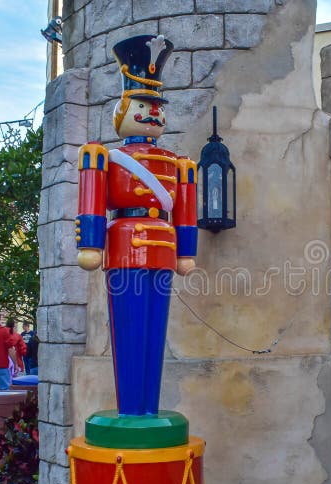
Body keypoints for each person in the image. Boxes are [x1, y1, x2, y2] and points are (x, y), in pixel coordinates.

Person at [76, 35, 197, 416]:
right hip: (125, 245)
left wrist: (187, 252)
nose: (152, 114)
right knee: (129, 328)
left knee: (155, 329)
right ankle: (131, 408)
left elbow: (185, 209)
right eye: (143, 106)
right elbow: (92, 198)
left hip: (162, 247)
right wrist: (91, 244)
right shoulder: (105, 156)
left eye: (156, 107)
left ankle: (149, 408)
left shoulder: (179, 163)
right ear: (124, 109)